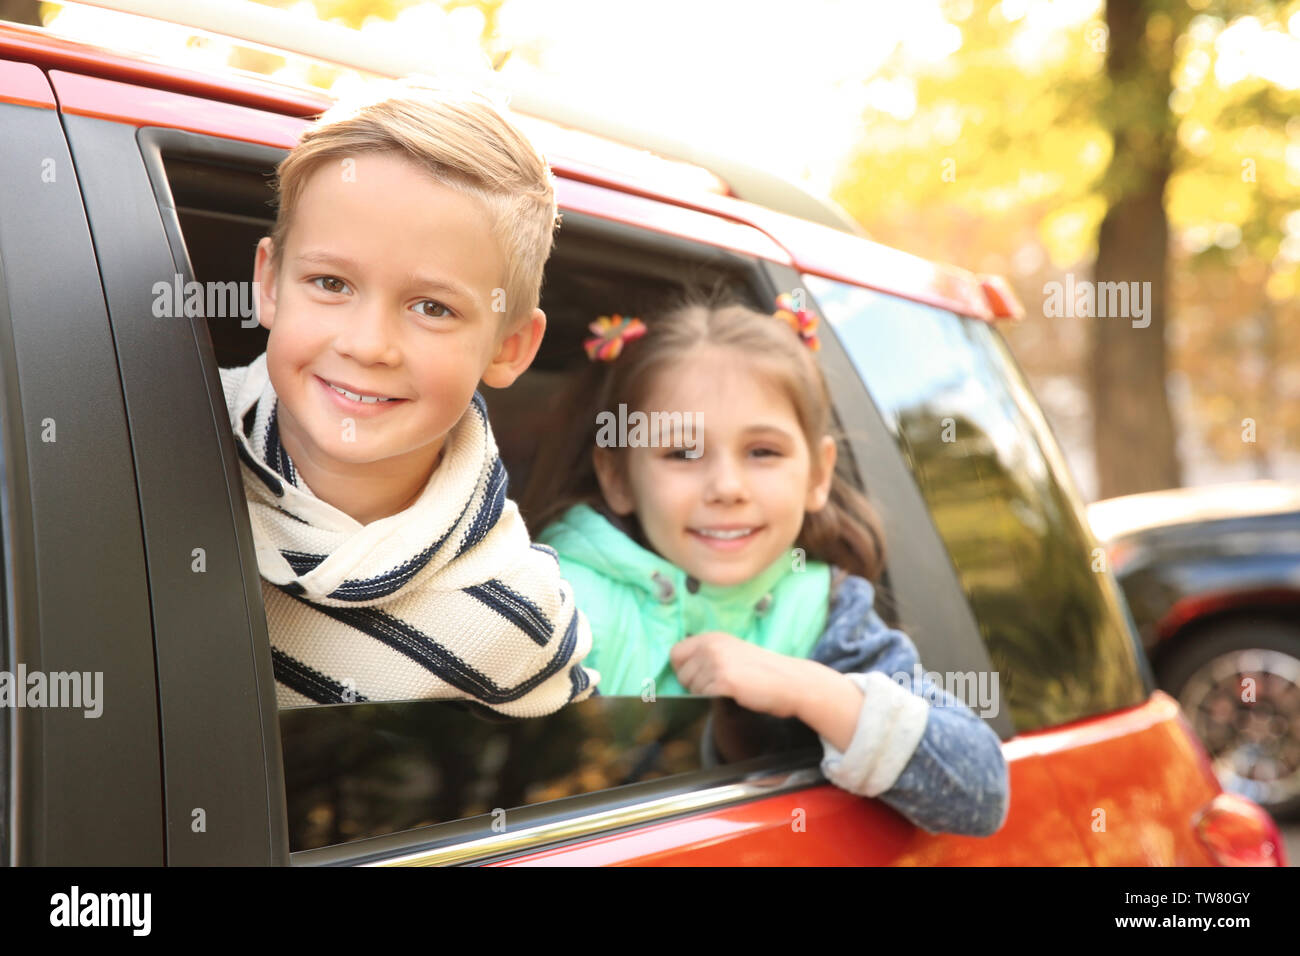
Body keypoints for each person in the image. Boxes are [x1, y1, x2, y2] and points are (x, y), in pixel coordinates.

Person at [522, 291, 1009, 835]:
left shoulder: (827, 614)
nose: (727, 488)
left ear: (819, 475)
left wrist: (808, 688)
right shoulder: (548, 599)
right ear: (618, 477)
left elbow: (980, 792)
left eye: (763, 452)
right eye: (682, 453)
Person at [219, 79, 597, 715]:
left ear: (509, 346)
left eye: (432, 307)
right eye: (331, 282)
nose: (369, 346)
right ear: (270, 283)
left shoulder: (515, 618)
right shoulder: (140, 448)